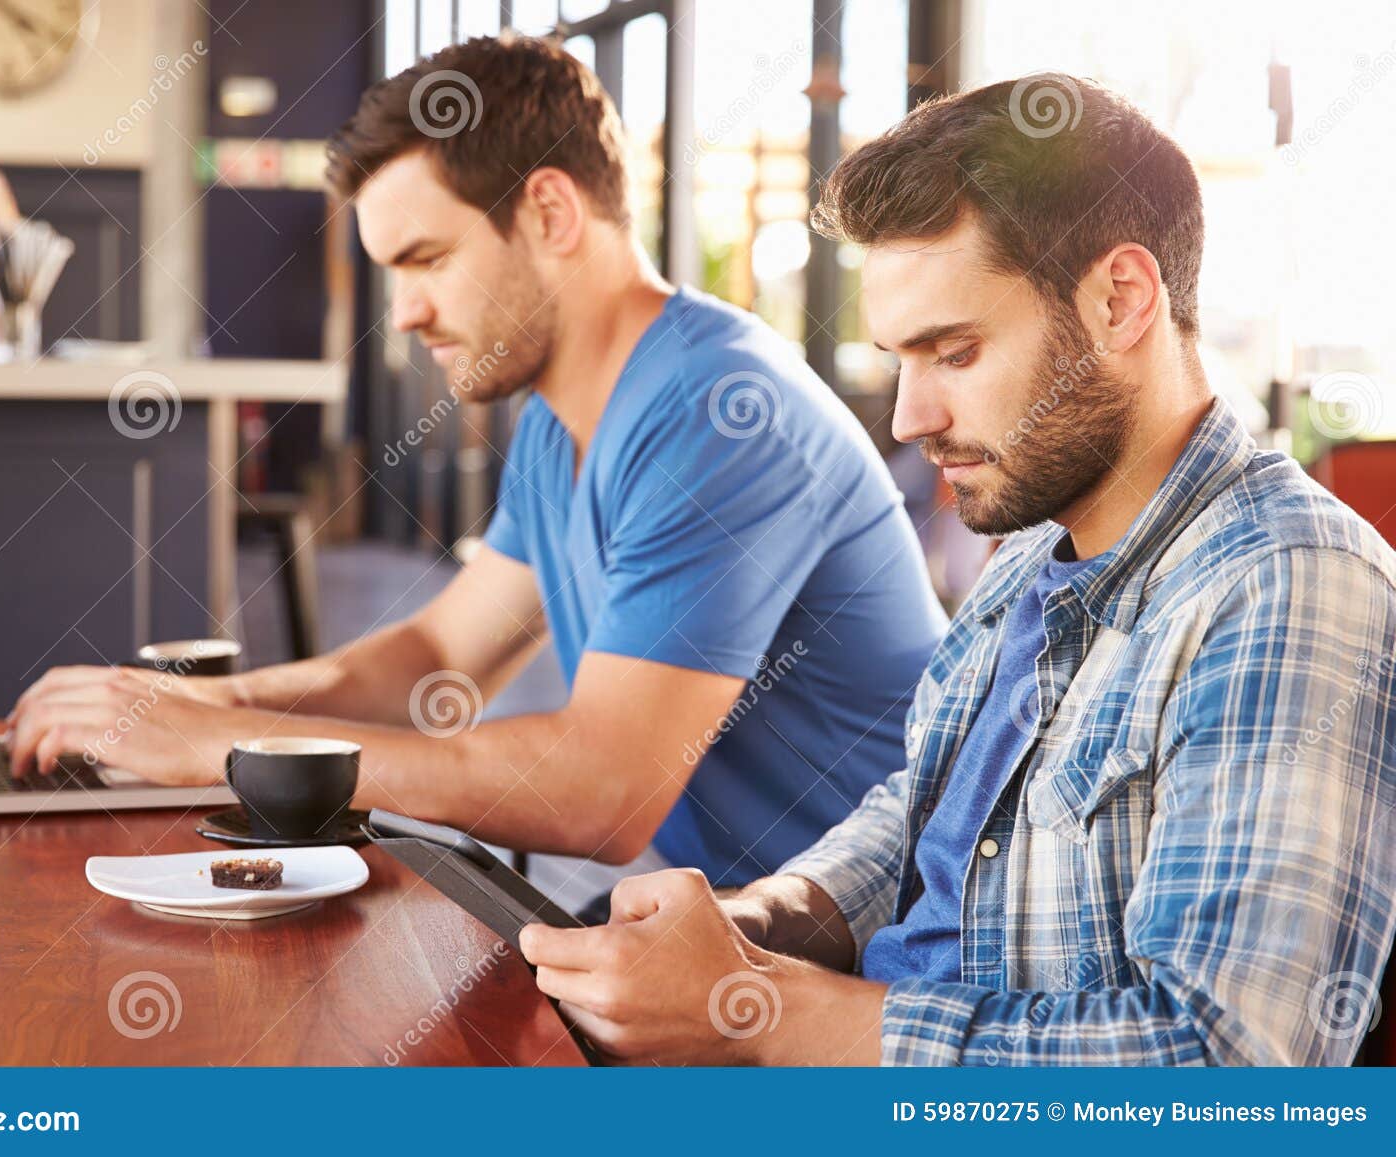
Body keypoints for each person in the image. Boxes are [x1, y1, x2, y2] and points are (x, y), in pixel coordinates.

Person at [521, 73, 1396, 1064]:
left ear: (1120, 301)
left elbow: (1229, 1072)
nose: (908, 417)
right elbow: (926, 810)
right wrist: (764, 917)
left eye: (955, 352)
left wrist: (761, 1010)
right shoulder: (1034, 541)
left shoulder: (1284, 584)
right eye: (899, 357)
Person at [4, 35, 945, 909]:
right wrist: (199, 705)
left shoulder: (719, 409)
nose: (405, 311)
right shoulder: (559, 415)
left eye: (429, 258)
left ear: (548, 212)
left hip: (877, 939)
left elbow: (601, 793)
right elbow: (439, 657)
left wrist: (234, 745)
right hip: (740, 911)